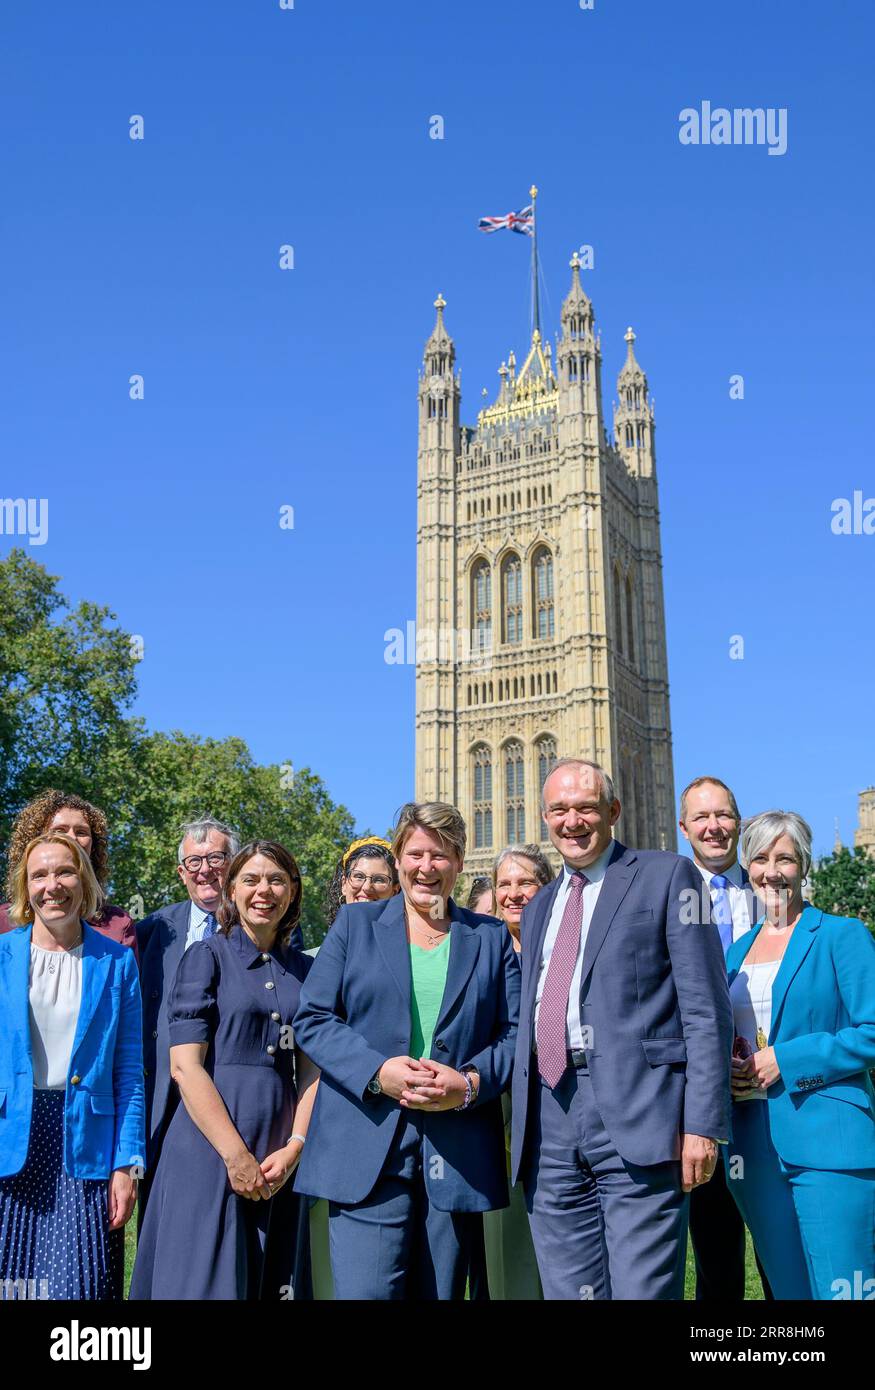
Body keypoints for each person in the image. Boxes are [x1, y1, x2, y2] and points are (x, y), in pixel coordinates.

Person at [511, 757, 733, 1300]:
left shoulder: (668, 876)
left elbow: (706, 1009)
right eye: (559, 810)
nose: (572, 820)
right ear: (544, 817)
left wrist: (703, 1123)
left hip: (640, 1110)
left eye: (586, 807)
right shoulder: (540, 904)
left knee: (643, 1291)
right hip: (549, 1115)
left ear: (612, 811)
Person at [293, 801, 521, 1300]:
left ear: (459, 863)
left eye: (440, 856)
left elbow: (517, 1034)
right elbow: (311, 1018)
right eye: (415, 854)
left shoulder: (490, 938)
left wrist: (469, 1083)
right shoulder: (355, 927)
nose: (426, 867)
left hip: (455, 1153)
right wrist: (377, 1071)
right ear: (398, 860)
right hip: (367, 1144)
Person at [130, 841, 318, 1300]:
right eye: (251, 880)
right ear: (231, 890)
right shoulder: (206, 957)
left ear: (292, 891)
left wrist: (295, 1146)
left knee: (269, 1283)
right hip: (208, 1149)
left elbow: (313, 1071)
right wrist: (236, 1157)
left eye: (276, 880)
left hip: (279, 1158)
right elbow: (184, 1067)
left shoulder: (309, 970)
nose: (264, 890)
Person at [725, 810, 875, 1300]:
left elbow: (871, 1031)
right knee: (789, 1295)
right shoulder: (734, 954)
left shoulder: (840, 934)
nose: (773, 870)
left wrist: (786, 1060)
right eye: (762, 857)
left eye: (785, 858)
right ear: (746, 864)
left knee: (846, 1291)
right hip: (752, 1147)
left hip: (831, 1142)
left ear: (803, 866)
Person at [0, 834, 144, 1300]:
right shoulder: (2, 957)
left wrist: (127, 1165)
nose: (52, 885)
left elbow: (128, 1073)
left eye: (64, 872)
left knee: (75, 1290)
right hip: (10, 1140)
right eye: (39, 874)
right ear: (25, 885)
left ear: (84, 882)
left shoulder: (118, 962)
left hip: (85, 1146)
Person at [679, 776, 772, 1301]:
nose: (714, 827)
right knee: (714, 1252)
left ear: (738, 821)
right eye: (702, 818)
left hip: (769, 1090)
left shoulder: (769, 894)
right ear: (684, 828)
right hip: (699, 1097)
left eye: (724, 816)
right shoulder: (663, 894)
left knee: (780, 1244)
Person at [136, 815, 244, 1216]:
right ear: (182, 873)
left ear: (234, 864)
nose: (206, 871)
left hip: (234, 1092)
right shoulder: (152, 930)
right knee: (160, 1218)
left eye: (216, 858)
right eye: (194, 862)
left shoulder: (262, 925)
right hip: (163, 1097)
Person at [311, 835, 399, 1299]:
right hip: (318, 1123)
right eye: (357, 877)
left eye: (379, 880)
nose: (365, 887)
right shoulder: (312, 956)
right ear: (343, 884)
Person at [482, 845, 553, 1300]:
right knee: (506, 1259)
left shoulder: (569, 947)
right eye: (504, 884)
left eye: (525, 882)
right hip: (497, 1118)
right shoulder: (481, 953)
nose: (513, 894)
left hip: (562, 1112)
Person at [0, 790, 137, 955]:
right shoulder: (4, 922)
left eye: (81, 832)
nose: (72, 838)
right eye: (60, 830)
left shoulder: (118, 925)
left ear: (93, 847)